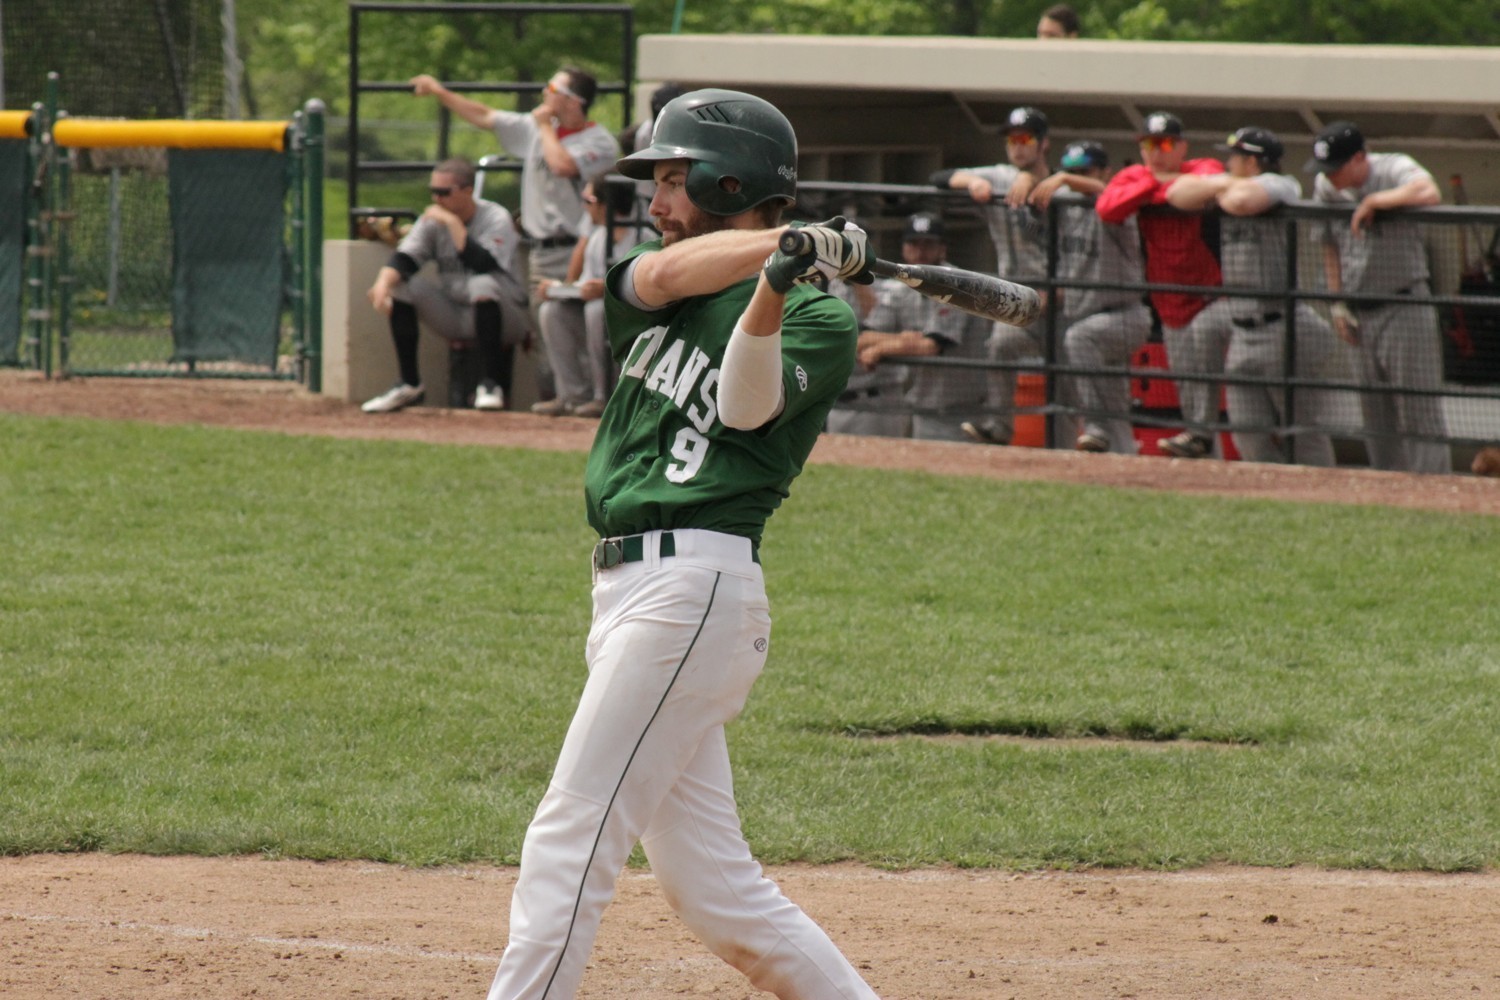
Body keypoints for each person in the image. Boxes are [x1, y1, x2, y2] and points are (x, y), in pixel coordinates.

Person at [483, 88, 882, 1000]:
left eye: (672, 180)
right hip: (630, 594)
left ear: (727, 179)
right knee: (718, 894)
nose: (654, 204)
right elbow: (661, 278)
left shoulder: (823, 319)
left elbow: (745, 408)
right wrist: (782, 249)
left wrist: (782, 282)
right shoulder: (660, 279)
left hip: (693, 589)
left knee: (571, 832)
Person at [1165, 126, 1339, 466]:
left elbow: (1244, 202)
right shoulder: (1230, 184)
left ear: (1251, 161)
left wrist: (1217, 189)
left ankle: (1323, 497)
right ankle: (1276, 500)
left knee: (1301, 431)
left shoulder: (1282, 183)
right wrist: (1222, 185)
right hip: (1242, 328)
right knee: (1247, 432)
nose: (1227, 163)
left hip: (1283, 325)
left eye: (1234, 158)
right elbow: (1176, 194)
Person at [1310, 120, 1449, 474]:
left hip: (1403, 303)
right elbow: (1329, 246)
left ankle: (1432, 492)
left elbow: (1429, 191)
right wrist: (1337, 305)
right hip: (1360, 310)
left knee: (1418, 409)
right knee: (1374, 414)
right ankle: (1387, 492)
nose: (1331, 176)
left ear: (1359, 158)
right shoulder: (1326, 186)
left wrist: (1378, 201)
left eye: (1338, 168)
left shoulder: (1392, 167)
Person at [409, 65, 620, 285]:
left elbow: (562, 166)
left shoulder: (599, 141)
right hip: (541, 250)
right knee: (545, 315)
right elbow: (485, 116)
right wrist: (438, 91)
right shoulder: (537, 126)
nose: (544, 92)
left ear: (573, 101)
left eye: (552, 88)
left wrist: (545, 127)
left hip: (580, 246)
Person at [1096, 111, 1226, 458]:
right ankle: (1202, 458)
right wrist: (1156, 183)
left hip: (1212, 294)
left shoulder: (1203, 165)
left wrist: (1156, 188)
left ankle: (1206, 440)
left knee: (1211, 377)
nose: (1156, 152)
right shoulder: (1133, 175)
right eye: (1149, 145)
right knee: (1186, 380)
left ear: (1182, 146)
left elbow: (1211, 182)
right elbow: (1108, 208)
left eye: (1165, 143)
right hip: (1168, 300)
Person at [361, 158, 529, 413]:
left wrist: (452, 224)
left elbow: (482, 263)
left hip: (507, 317)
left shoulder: (495, 217)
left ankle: (491, 384)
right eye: (433, 192)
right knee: (402, 287)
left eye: (443, 192)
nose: (437, 199)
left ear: (468, 191)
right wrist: (382, 285)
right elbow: (405, 258)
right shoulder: (433, 220)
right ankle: (409, 384)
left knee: (482, 284)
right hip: (456, 313)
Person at [931, 106, 1052, 446]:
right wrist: (975, 182)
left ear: (1044, 144)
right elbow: (939, 179)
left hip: (1062, 296)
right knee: (1000, 346)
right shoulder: (1001, 175)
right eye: (1012, 140)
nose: (1017, 147)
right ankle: (999, 427)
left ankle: (1071, 445)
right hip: (1017, 294)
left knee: (1069, 372)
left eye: (1025, 139)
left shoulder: (1061, 185)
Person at [1030, 140, 1153, 453]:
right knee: (1114, 400)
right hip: (1085, 315)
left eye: (1083, 171)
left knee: (1078, 340)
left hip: (1123, 314)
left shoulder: (1115, 206)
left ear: (1103, 172)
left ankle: (1095, 427)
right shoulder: (1065, 209)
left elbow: (1106, 193)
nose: (1074, 178)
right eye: (1071, 171)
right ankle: (1126, 462)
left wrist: (1064, 179)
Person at [853, 212, 991, 441]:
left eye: (928, 244)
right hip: (922, 410)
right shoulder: (900, 288)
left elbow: (931, 346)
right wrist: (901, 341)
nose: (920, 251)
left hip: (964, 410)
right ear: (904, 248)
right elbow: (863, 336)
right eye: (914, 243)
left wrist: (881, 348)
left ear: (942, 249)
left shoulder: (959, 284)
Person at [531, 178, 648, 417]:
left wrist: (607, 289)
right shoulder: (597, 237)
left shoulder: (642, 236)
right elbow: (584, 285)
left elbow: (646, 289)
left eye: (589, 200)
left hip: (634, 324)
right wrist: (557, 289)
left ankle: (603, 397)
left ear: (606, 205)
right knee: (552, 311)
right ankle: (572, 396)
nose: (585, 207)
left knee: (596, 309)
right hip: (599, 320)